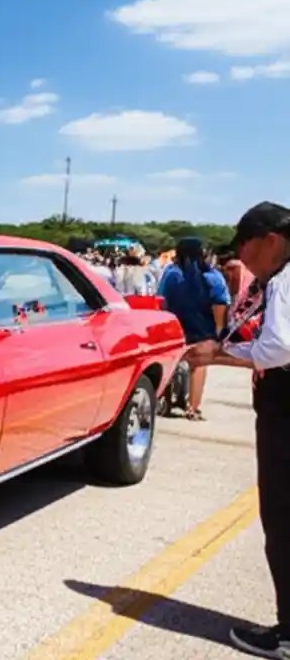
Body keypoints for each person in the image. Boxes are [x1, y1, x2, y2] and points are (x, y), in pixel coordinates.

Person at [185, 202, 290, 659]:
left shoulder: (284, 283)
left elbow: (278, 348)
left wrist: (216, 356)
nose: (241, 261)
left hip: (285, 414)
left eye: (244, 247)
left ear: (270, 241)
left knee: (283, 520)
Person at [158, 237, 231, 421]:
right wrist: (219, 331)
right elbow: (220, 304)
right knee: (198, 366)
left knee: (171, 364)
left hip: (175, 325)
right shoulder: (212, 276)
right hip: (202, 325)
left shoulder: (170, 273)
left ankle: (166, 404)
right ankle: (193, 408)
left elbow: (162, 300)